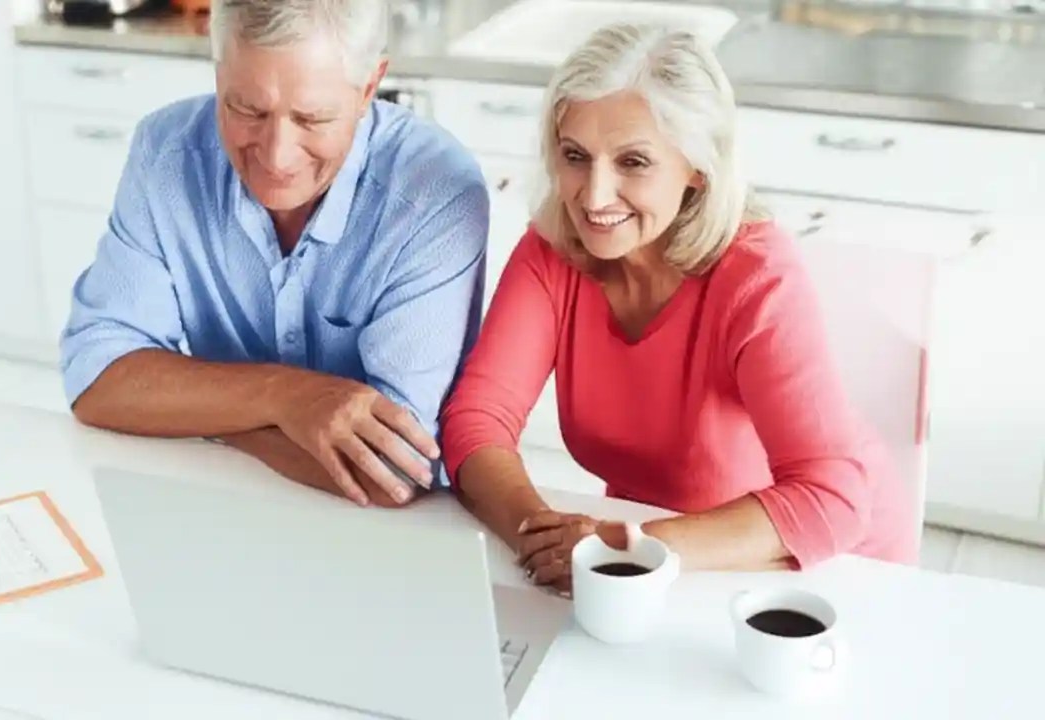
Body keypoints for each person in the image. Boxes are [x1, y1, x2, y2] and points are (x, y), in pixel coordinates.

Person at [440, 24, 916, 594]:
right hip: (658, 547)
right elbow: (477, 420)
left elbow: (830, 498)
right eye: (575, 156)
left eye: (633, 162)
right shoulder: (553, 250)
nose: (593, 197)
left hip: (811, 556)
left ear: (697, 166)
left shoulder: (757, 277)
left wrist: (625, 549)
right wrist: (537, 536)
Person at [61, 0, 489, 508]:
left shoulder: (436, 194)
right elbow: (96, 378)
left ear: (369, 88)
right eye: (247, 109)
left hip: (379, 537)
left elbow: (392, 470)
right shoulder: (166, 153)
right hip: (219, 504)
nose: (276, 156)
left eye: (312, 118)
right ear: (218, 73)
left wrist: (202, 416)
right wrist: (285, 397)